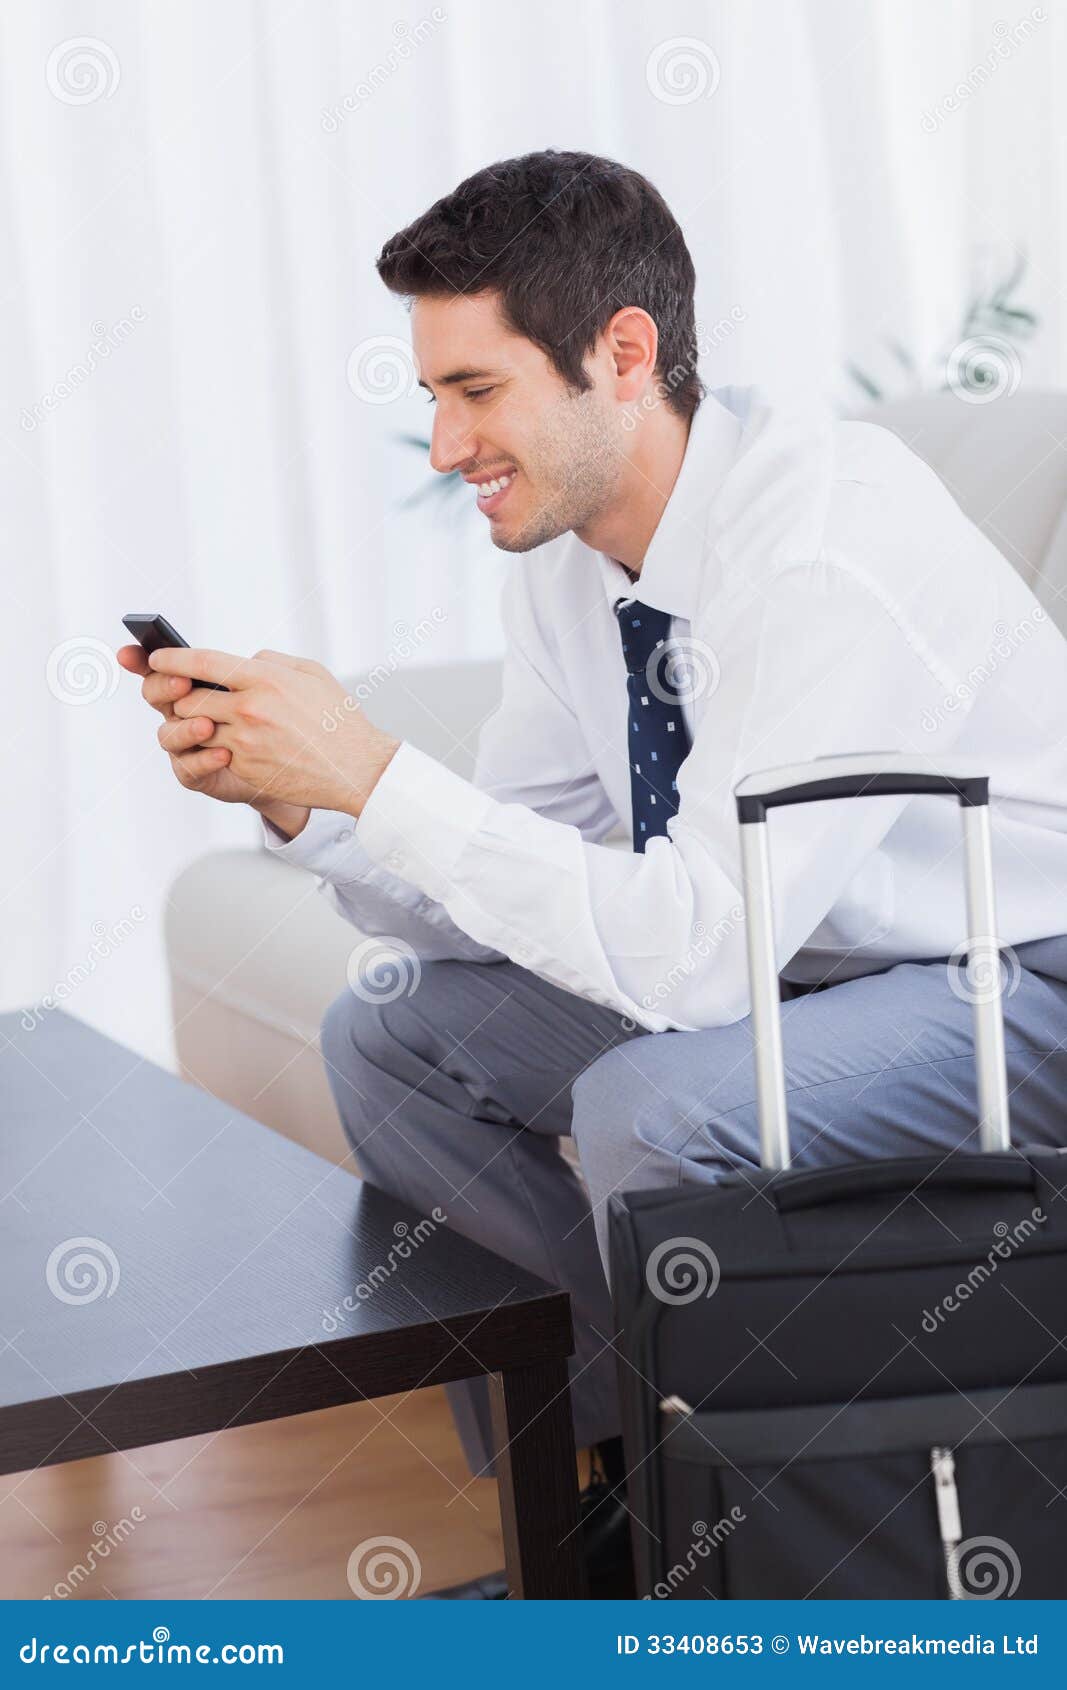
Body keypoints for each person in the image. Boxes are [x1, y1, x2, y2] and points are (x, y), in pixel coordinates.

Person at [119, 149, 1067, 1600]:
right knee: (393, 1034)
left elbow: (693, 956)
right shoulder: (574, 568)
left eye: (476, 391)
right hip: (801, 962)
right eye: (432, 395)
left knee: (651, 1105)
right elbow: (514, 869)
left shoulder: (818, 549)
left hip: (1013, 975)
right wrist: (313, 803)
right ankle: (627, 1499)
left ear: (623, 354)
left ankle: (757, 1556)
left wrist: (376, 764)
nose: (444, 446)